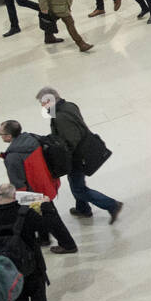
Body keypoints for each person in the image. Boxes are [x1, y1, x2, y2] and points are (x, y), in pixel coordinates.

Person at [37, 87, 122, 224]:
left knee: (78, 189)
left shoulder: (60, 117)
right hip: (86, 148)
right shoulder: (69, 105)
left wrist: (62, 157)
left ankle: (112, 205)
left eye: (42, 103)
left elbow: (72, 140)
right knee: (76, 182)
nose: (42, 106)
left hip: (78, 157)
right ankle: (83, 208)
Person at [0, 118, 77, 253]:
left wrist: (22, 200)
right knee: (42, 214)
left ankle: (68, 245)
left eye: (1, 134)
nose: (0, 136)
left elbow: (18, 183)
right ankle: (44, 238)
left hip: (34, 192)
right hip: (47, 182)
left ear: (9, 136)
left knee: (50, 217)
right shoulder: (32, 139)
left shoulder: (12, 157)